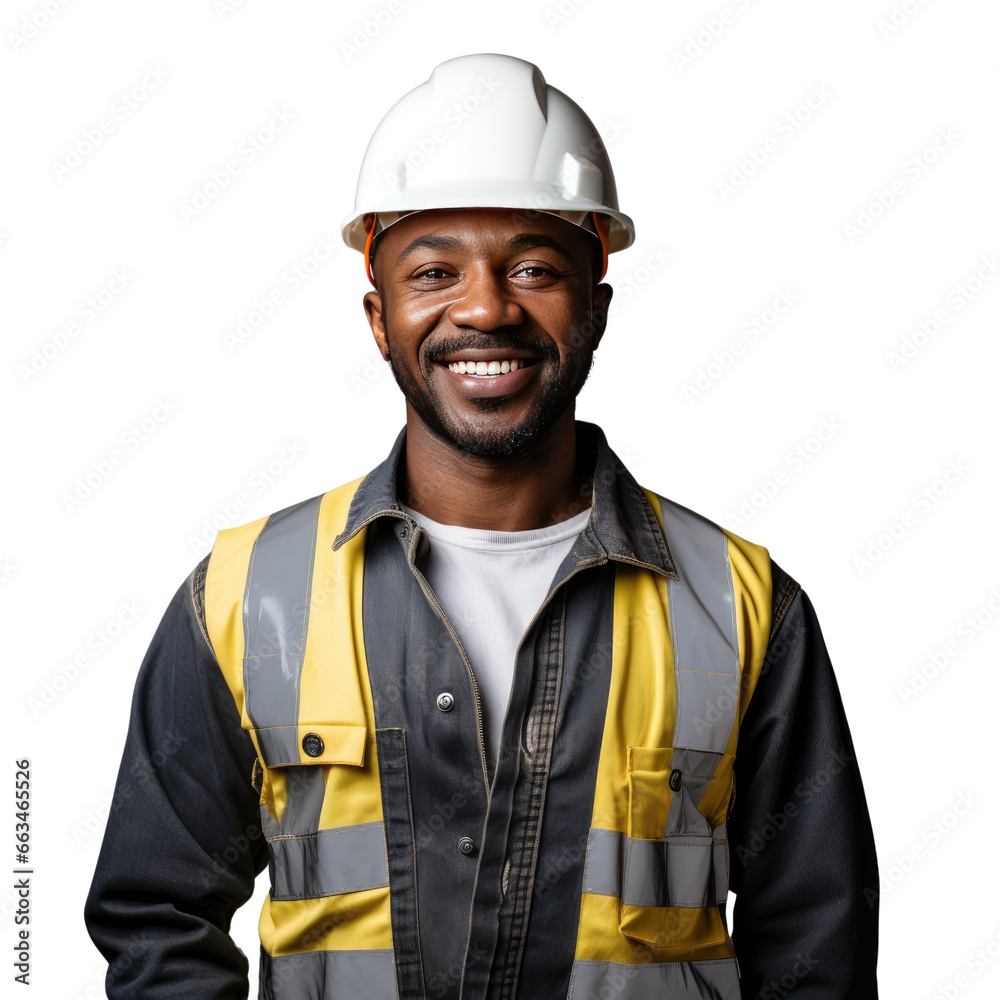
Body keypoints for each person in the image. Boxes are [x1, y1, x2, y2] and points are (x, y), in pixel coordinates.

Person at [84, 52, 879, 999]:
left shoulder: (743, 606)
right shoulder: (247, 594)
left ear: (596, 308)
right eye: (435, 270)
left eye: (534, 267)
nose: (486, 307)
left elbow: (817, 946)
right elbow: (155, 916)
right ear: (380, 318)